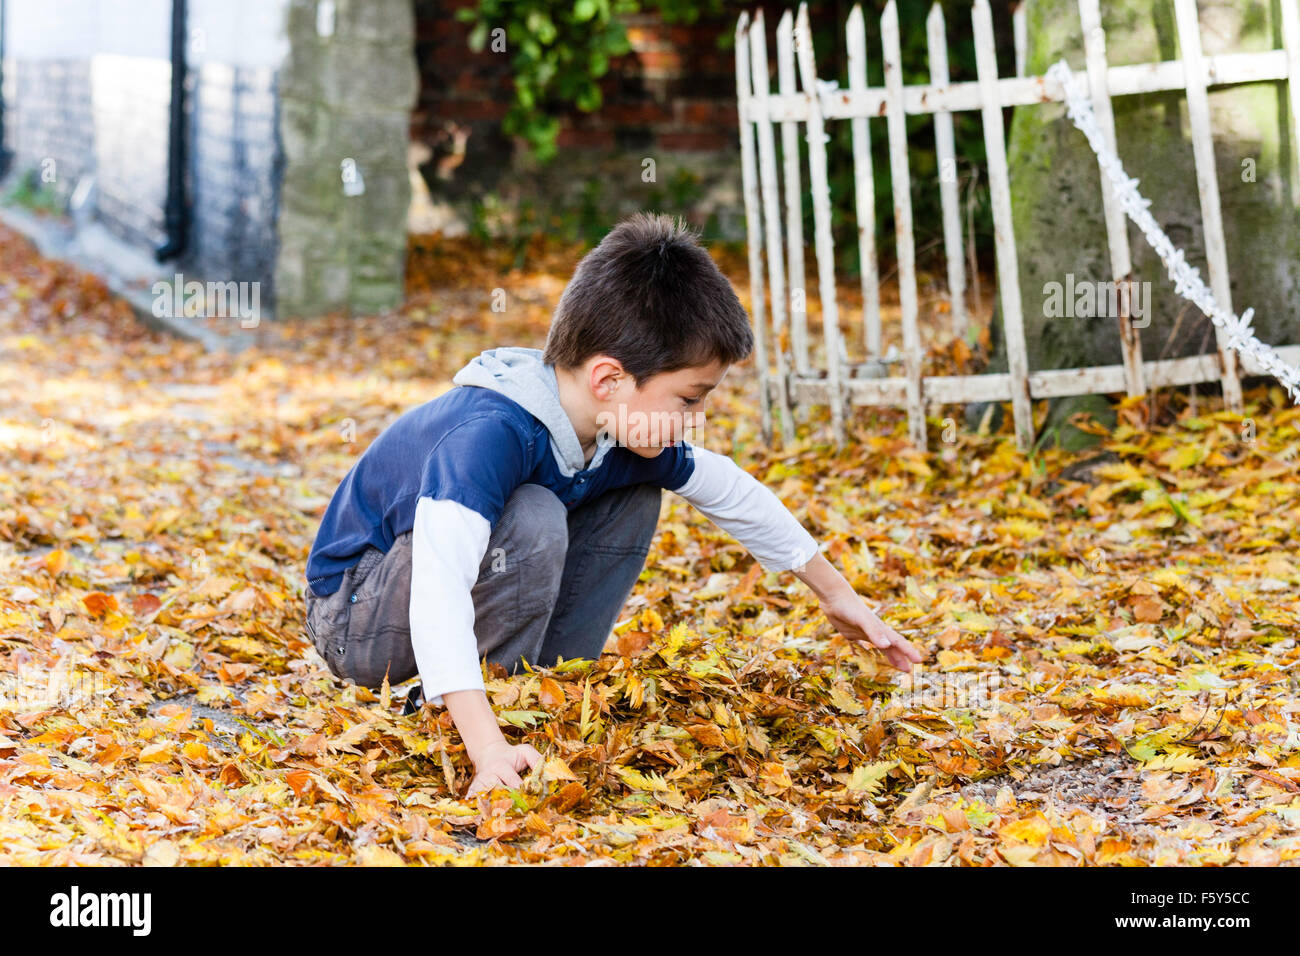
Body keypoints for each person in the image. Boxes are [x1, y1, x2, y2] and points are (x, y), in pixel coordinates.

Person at [302, 212, 922, 798]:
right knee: (534, 517)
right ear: (608, 379)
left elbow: (732, 493)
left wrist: (838, 596)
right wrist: (486, 750)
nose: (696, 419)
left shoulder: (614, 428)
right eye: (688, 399)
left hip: (412, 605)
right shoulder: (487, 434)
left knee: (633, 496)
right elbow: (438, 586)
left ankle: (549, 687)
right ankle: (467, 715)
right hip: (356, 617)